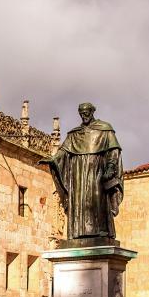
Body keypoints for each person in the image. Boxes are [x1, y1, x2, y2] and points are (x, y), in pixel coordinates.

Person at [40, 102, 123, 243]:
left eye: (86, 113)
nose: (84, 116)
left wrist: (110, 167)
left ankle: (101, 230)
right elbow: (63, 151)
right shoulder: (74, 133)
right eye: (81, 113)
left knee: (97, 197)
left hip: (97, 170)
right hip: (78, 171)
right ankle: (77, 233)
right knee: (78, 200)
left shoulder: (105, 129)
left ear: (92, 111)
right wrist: (52, 159)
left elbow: (113, 150)